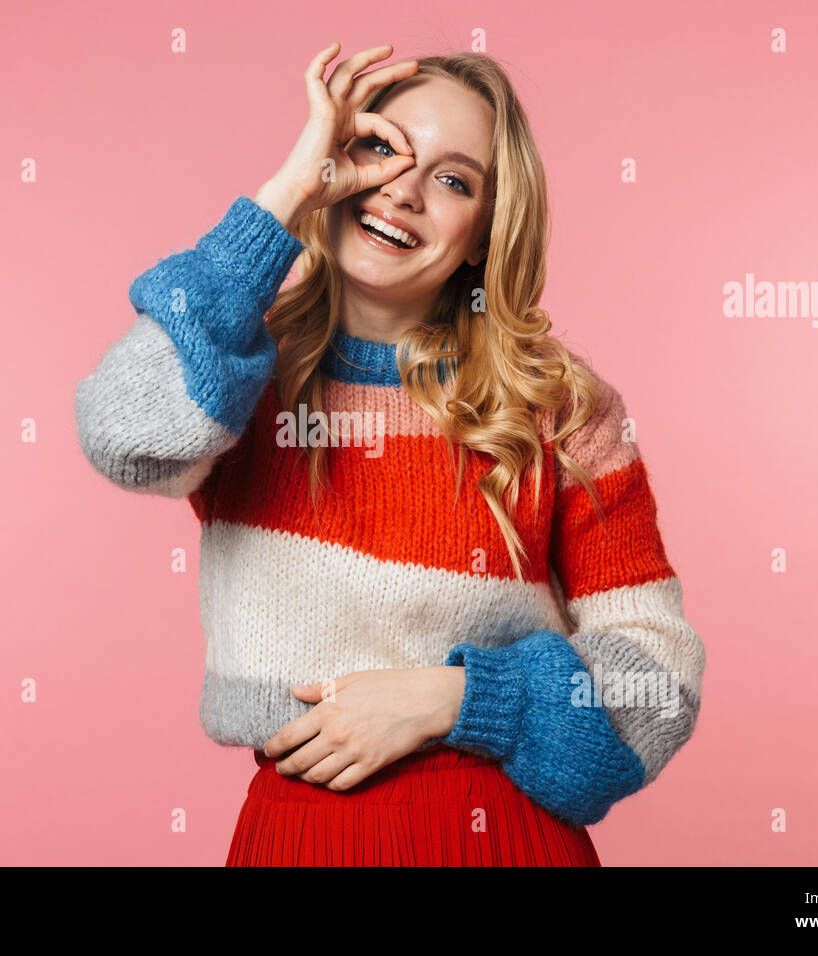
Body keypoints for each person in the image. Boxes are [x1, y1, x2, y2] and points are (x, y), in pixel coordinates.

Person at [75, 41, 706, 866]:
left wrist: (460, 697)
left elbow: (656, 682)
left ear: (483, 235)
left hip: (499, 839)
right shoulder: (238, 371)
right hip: (297, 839)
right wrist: (281, 201)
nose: (403, 191)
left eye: (454, 181)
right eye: (379, 148)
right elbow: (124, 438)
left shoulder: (559, 410)